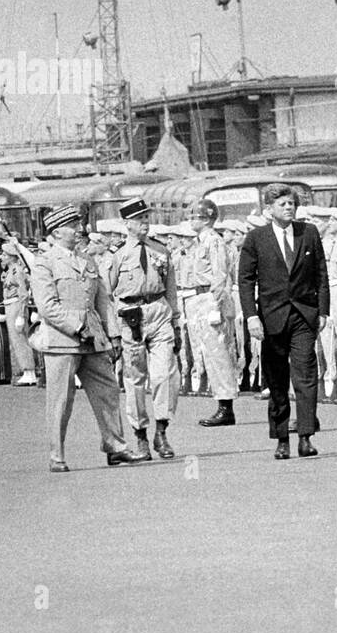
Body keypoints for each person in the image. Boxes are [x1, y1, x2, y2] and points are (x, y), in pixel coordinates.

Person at [28, 205, 146, 472]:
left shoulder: (88, 260)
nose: (80, 229)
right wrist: (76, 326)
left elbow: (103, 300)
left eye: (79, 223)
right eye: (73, 225)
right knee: (60, 401)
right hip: (62, 340)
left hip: (93, 338)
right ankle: (57, 455)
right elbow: (47, 306)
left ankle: (115, 446)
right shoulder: (44, 262)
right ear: (57, 232)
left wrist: (113, 334)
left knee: (108, 391)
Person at [238, 183, 330, 460]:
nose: (289, 208)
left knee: (305, 377)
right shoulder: (257, 238)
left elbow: (321, 274)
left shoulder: (308, 233)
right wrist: (252, 316)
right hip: (271, 318)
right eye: (283, 204)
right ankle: (281, 439)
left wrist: (322, 311)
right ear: (269, 210)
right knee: (277, 381)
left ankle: (305, 436)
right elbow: (245, 280)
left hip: (304, 315)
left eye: (292, 204)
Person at [107, 198, 181, 459]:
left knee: (165, 375)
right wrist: (113, 331)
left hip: (159, 310)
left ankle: (162, 431)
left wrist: (176, 322)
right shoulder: (117, 254)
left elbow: (171, 287)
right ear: (127, 224)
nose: (145, 224)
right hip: (130, 316)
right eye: (139, 220)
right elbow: (107, 293)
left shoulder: (160, 250)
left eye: (147, 218)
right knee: (135, 379)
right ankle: (140, 435)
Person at [184, 199, 240, 427]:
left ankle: (226, 406)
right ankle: (221, 402)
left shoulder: (213, 241)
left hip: (210, 298)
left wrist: (217, 306)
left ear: (206, 219)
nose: (191, 221)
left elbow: (220, 274)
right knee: (208, 352)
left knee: (218, 353)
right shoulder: (198, 242)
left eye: (194, 217)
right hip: (199, 297)